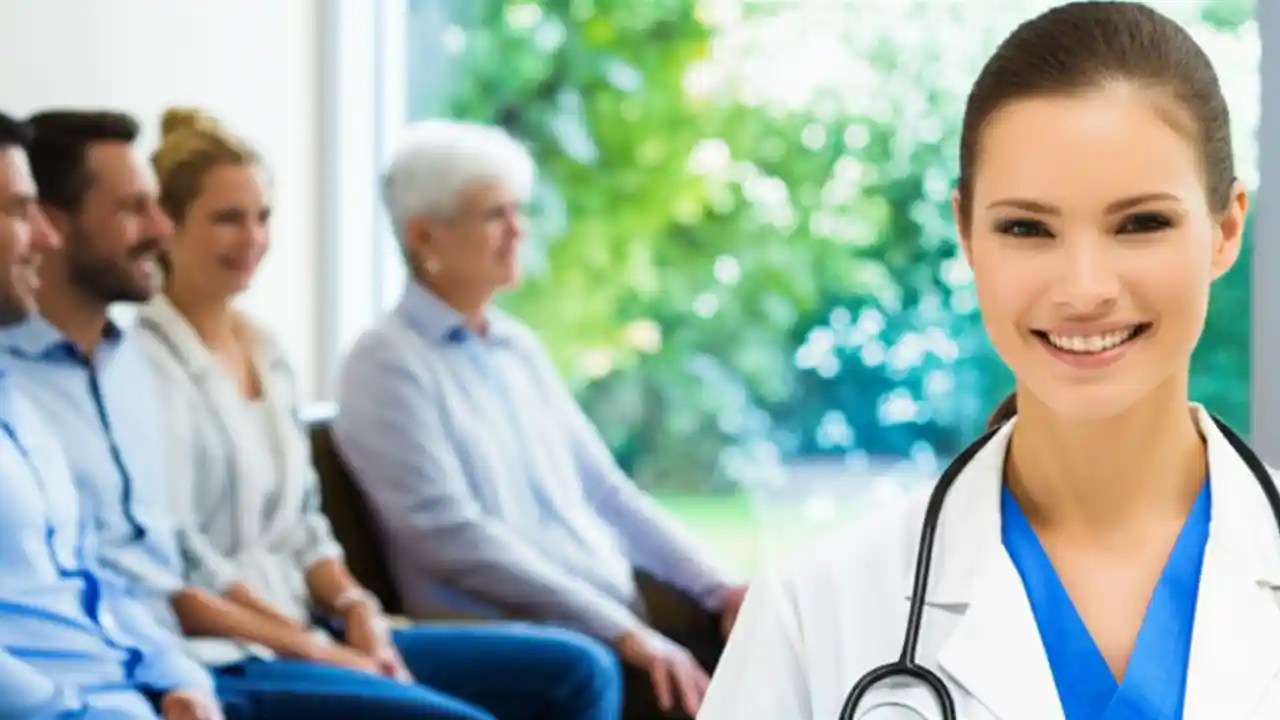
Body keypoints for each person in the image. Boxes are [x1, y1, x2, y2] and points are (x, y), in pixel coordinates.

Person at [699, 2, 1271, 718]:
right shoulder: (813, 614)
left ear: (1225, 229)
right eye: (1027, 228)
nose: (1084, 288)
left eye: (1141, 223)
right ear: (967, 234)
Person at [135, 106, 622, 720]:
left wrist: (357, 608)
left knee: (579, 671)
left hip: (312, 627)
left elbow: (304, 527)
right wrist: (314, 648)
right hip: (228, 653)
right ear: (167, 227)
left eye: (263, 217)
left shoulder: (268, 351)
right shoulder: (141, 364)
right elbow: (182, 570)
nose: (253, 238)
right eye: (227, 219)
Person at [333, 118, 748, 719]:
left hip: (602, 605)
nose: (518, 229)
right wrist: (621, 631)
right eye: (494, 214)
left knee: (760, 630)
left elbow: (606, 492)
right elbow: (451, 536)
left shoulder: (516, 348)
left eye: (518, 210)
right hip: (518, 633)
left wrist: (720, 586)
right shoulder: (384, 363)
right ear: (424, 236)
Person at [0, 111, 222, 719]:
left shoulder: (18, 402)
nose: (45, 238)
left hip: (138, 689)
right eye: (18, 211)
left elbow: (91, 580)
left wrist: (181, 682)